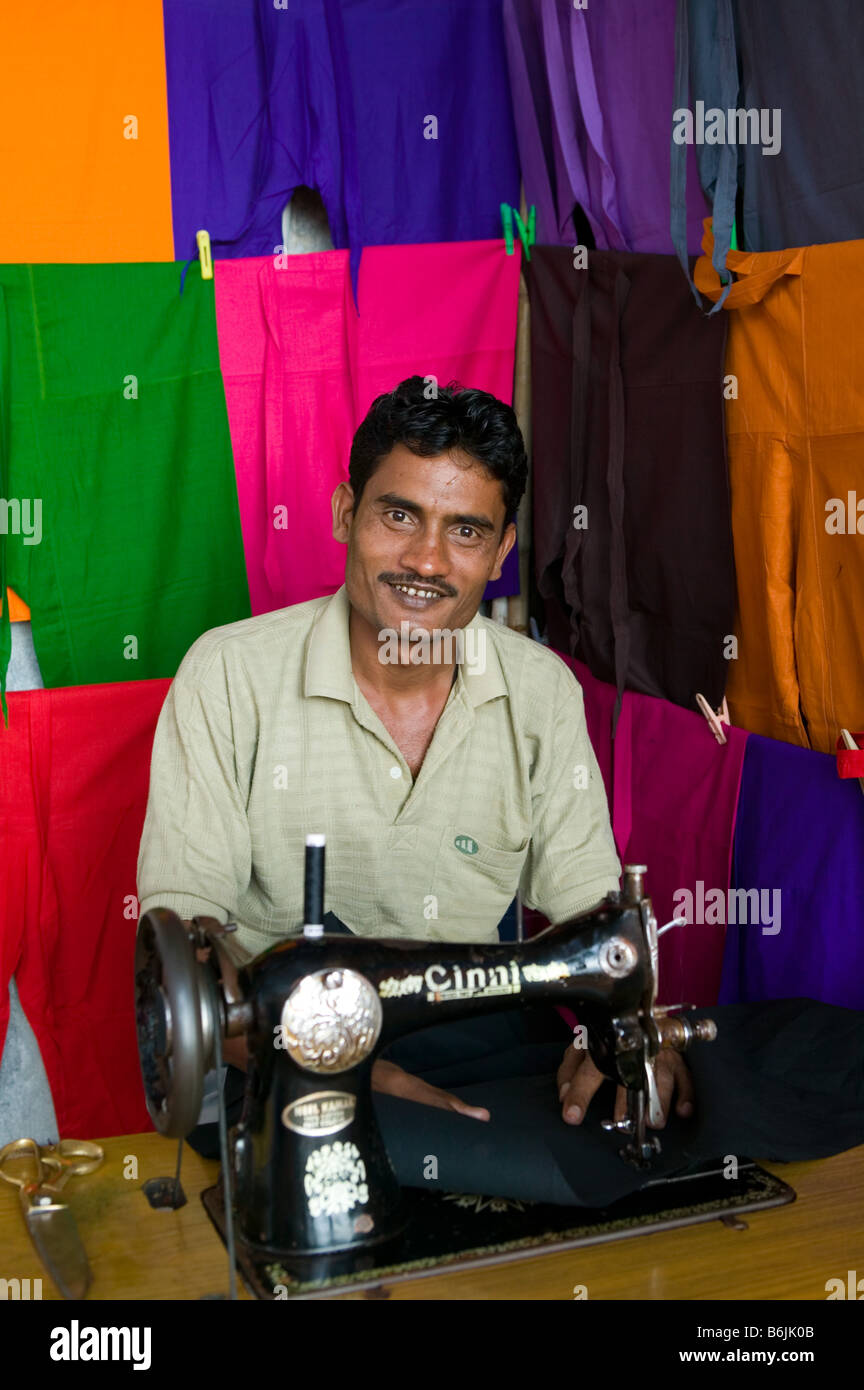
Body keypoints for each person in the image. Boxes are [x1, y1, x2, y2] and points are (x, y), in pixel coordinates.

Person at [137, 376, 693, 1134]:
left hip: (477, 1056)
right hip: (277, 1061)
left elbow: (597, 919)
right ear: (344, 513)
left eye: (465, 531)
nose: (426, 561)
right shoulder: (229, 677)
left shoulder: (539, 693)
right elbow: (189, 970)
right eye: (400, 516)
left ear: (501, 552)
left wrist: (634, 1028)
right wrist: (347, 1070)